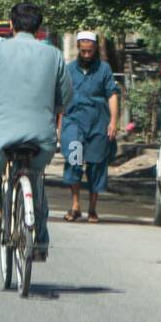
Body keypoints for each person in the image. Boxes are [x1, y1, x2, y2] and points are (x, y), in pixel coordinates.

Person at [0, 3, 72, 257]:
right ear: (38, 28)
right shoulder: (55, 55)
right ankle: (40, 243)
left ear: (11, 25)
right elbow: (67, 97)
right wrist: (53, 107)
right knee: (35, 181)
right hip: (41, 139)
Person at [58, 31, 120, 224]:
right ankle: (75, 205)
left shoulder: (104, 69)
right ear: (78, 48)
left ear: (94, 50)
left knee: (96, 164)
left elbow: (112, 94)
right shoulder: (68, 69)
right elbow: (61, 98)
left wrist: (113, 122)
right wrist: (60, 125)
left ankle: (92, 208)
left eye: (90, 51)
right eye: (83, 51)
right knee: (74, 161)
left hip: (98, 123)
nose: (86, 54)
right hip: (74, 123)